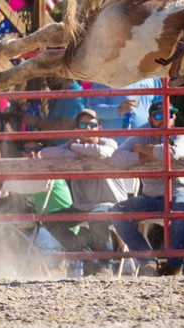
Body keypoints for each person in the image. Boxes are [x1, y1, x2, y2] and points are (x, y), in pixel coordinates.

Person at [110, 101, 184, 277]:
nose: (165, 119)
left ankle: (174, 267)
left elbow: (173, 154)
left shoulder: (183, 136)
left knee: (181, 210)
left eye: (169, 115)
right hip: (152, 196)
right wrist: (140, 158)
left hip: (182, 192)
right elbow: (115, 158)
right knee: (117, 212)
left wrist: (144, 150)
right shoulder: (139, 136)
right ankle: (147, 261)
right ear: (150, 119)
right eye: (159, 115)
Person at [41, 108, 131, 275]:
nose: (88, 128)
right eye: (83, 124)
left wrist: (73, 147)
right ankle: (86, 252)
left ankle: (106, 265)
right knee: (49, 220)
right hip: (83, 207)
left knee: (96, 215)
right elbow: (45, 153)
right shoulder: (74, 146)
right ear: (76, 130)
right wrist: (74, 148)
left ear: (99, 129)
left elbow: (103, 152)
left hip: (112, 203)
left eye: (92, 124)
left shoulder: (108, 142)